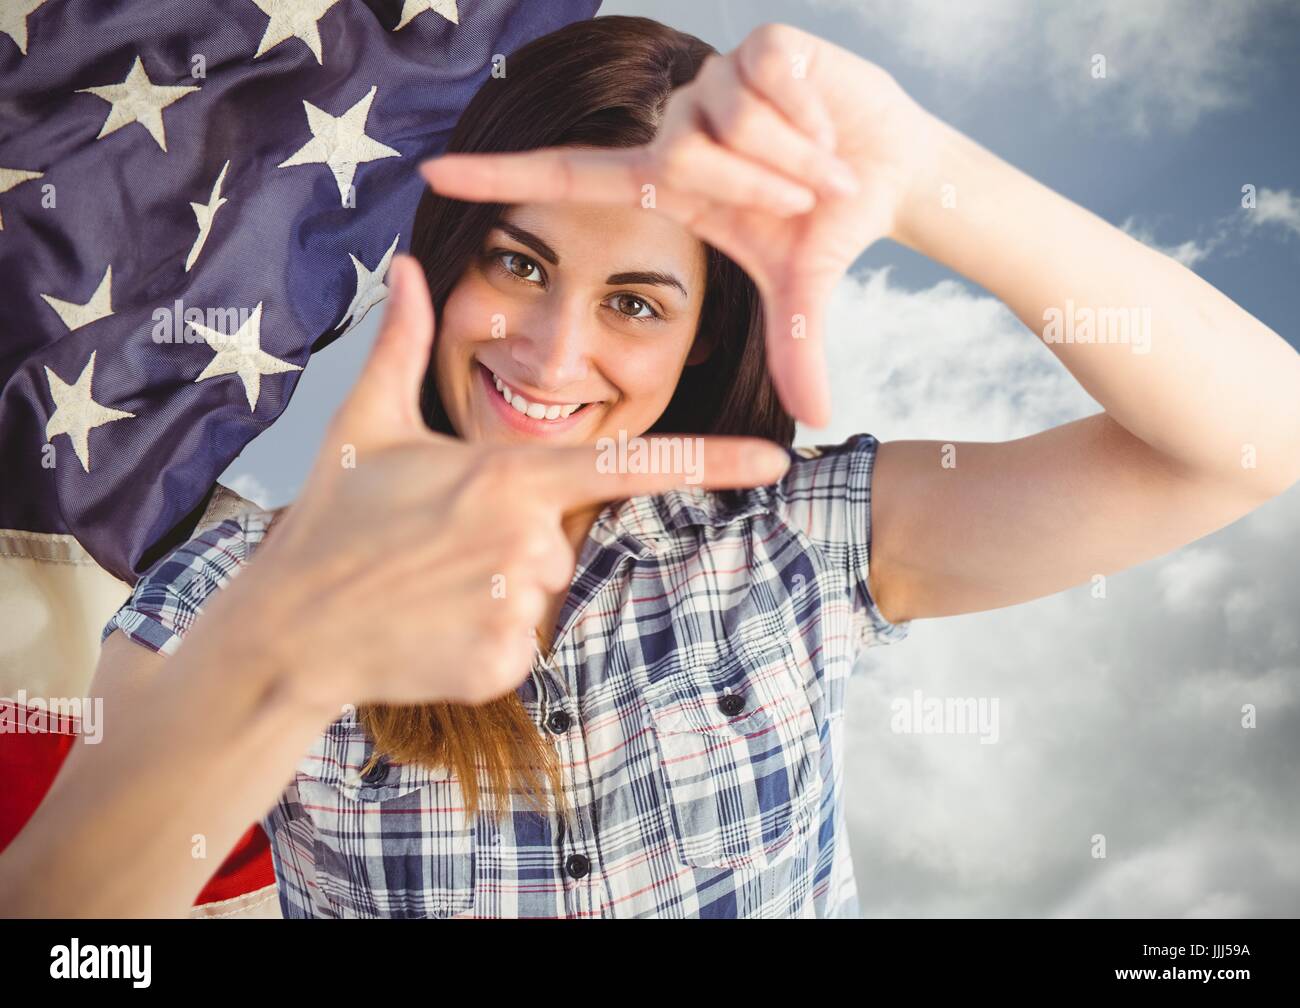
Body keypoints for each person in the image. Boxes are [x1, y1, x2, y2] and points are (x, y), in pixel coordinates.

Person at [58, 15, 1300, 917]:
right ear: (444, 259)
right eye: (520, 265)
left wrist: (926, 176)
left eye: (636, 303)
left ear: (704, 337)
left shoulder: (792, 538)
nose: (552, 352)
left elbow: (1253, 441)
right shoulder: (234, 588)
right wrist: (282, 652)